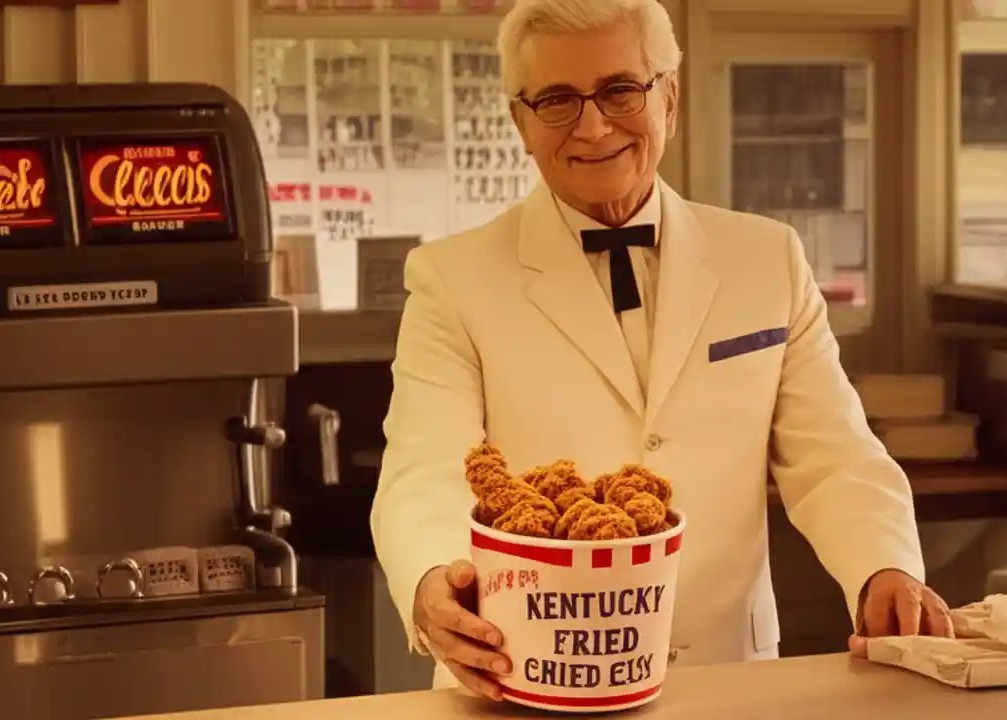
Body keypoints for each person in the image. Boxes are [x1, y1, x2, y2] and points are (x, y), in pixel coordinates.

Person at [370, 0, 953, 701]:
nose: (592, 125)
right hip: (524, 678)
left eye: (620, 89)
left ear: (669, 100)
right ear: (521, 122)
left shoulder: (767, 260)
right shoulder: (453, 278)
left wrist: (883, 568)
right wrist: (436, 579)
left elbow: (834, 456)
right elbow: (424, 469)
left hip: (730, 681)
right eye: (556, 99)